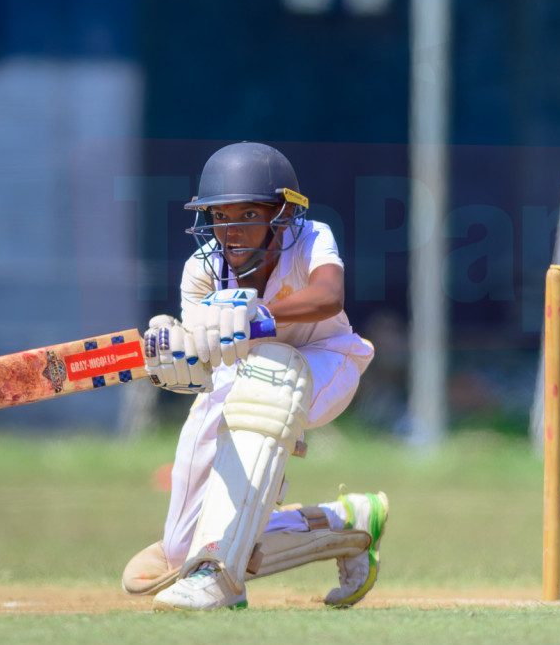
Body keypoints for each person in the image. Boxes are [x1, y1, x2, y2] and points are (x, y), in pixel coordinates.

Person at [121, 141, 386, 611]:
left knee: (267, 378)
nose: (232, 231)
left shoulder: (311, 237)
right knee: (183, 548)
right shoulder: (200, 272)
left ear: (280, 214)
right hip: (252, 379)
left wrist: (257, 314)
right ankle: (345, 523)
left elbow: (329, 297)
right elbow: (210, 369)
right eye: (221, 217)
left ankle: (219, 576)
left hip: (327, 358)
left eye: (247, 214)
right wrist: (178, 356)